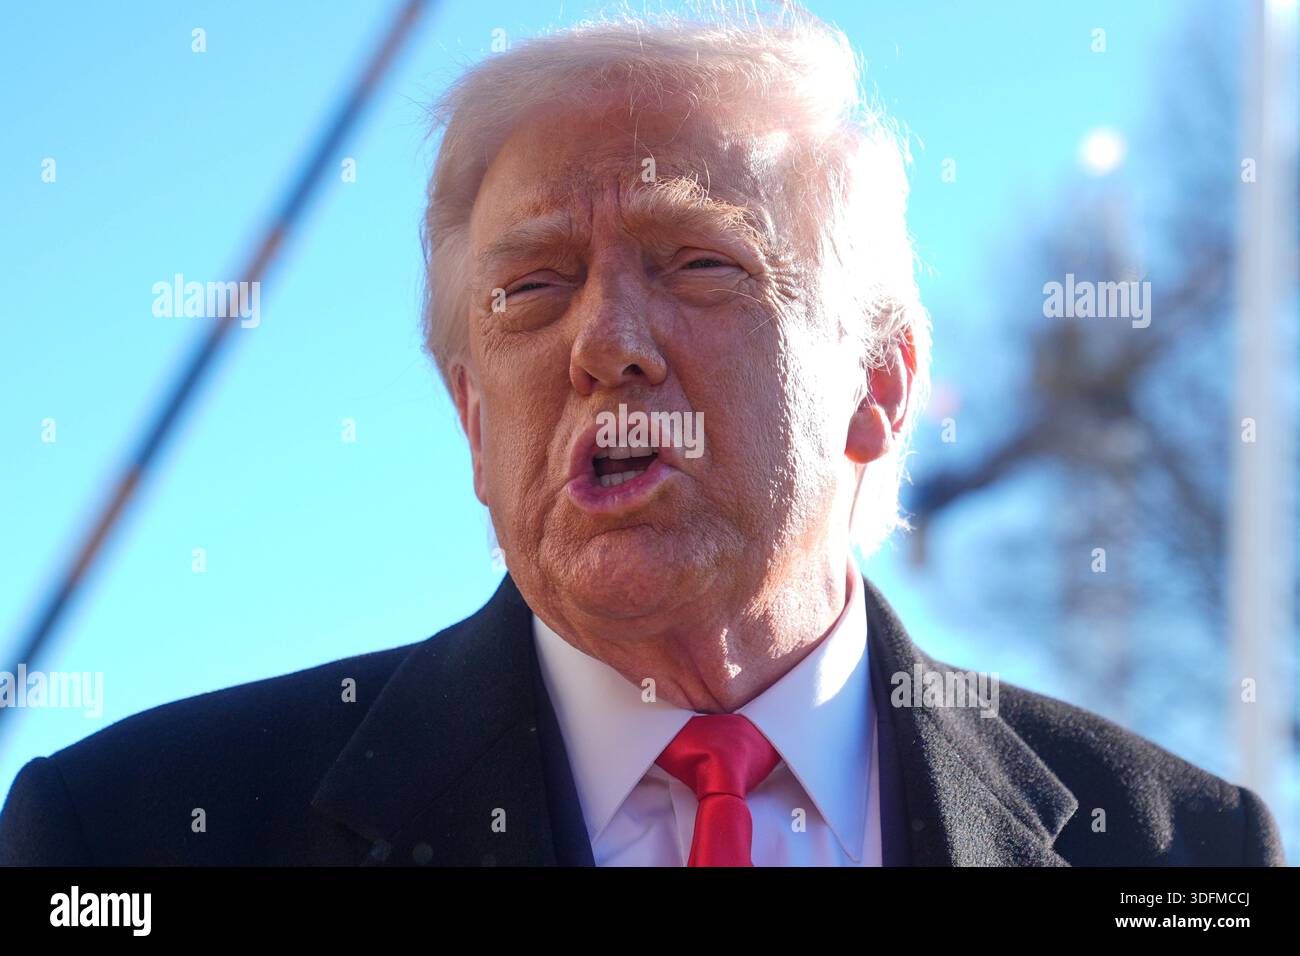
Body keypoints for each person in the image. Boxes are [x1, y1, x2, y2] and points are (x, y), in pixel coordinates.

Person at [0, 7, 1283, 867]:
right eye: (532, 286)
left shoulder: (1180, 846)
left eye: (698, 262)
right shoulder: (133, 833)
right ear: (469, 413)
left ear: (880, 382)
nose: (605, 340)